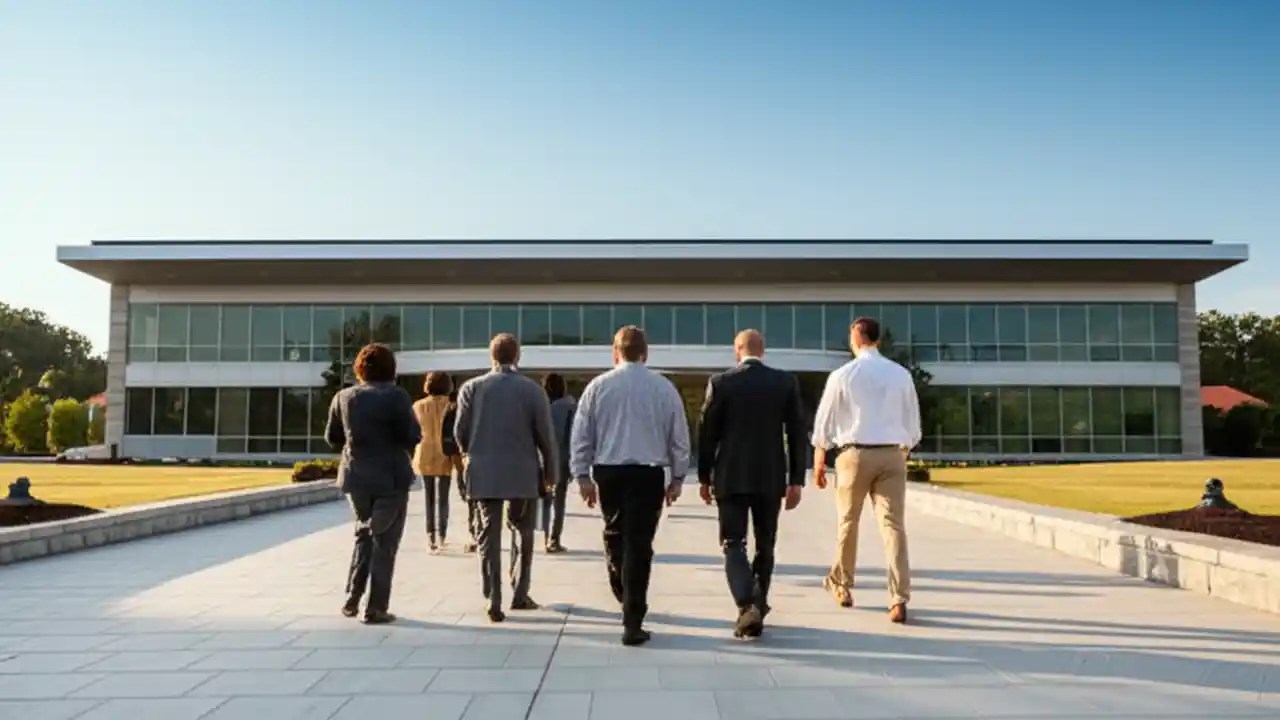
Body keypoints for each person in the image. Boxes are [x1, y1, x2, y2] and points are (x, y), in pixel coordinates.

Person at [571, 325, 690, 646]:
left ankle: (623, 588)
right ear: (645, 354)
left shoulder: (597, 387)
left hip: (609, 471)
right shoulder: (663, 388)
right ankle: (633, 616)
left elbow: (582, 435)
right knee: (640, 543)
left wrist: (582, 475)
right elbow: (679, 437)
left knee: (615, 533)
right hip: (648, 474)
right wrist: (678, 477)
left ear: (615, 353)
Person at [811, 317, 921, 624]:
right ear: (877, 339)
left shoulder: (843, 375)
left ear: (857, 337)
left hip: (855, 453)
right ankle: (898, 597)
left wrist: (819, 459)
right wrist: (903, 449)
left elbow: (825, 421)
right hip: (892, 453)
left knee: (848, 521)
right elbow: (913, 423)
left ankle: (842, 584)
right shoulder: (901, 375)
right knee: (893, 525)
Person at [698, 329, 806, 639]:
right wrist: (796, 480)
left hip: (730, 475)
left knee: (733, 542)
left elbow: (707, 434)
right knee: (766, 543)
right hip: (770, 476)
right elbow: (797, 432)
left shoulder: (721, 383)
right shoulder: (784, 382)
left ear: (737, 350)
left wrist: (704, 476)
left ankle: (747, 604)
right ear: (763, 350)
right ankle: (756, 605)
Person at [454, 333, 557, 623]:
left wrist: (470, 454)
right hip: (522, 472)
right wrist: (551, 472)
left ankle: (493, 597)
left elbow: (460, 432)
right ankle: (520, 593)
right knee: (523, 532)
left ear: (491, 356)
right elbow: (545, 436)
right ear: (517, 356)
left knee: (488, 534)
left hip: (483, 471)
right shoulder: (532, 390)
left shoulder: (471, 388)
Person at [325, 343, 420, 625]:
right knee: (385, 542)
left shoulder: (343, 397)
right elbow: (411, 435)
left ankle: (352, 598)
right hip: (390, 478)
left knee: (364, 534)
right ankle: (376, 607)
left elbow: (332, 437)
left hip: (356, 477)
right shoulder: (396, 396)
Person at [412, 371, 458, 553]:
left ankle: (430, 535)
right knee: (443, 498)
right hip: (445, 453)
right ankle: (442, 535)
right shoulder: (451, 406)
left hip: (424, 453)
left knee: (428, 497)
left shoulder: (417, 406)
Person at [541, 373, 576, 553]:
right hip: (561, 459)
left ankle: (544, 534)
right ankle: (554, 539)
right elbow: (572, 437)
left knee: (544, 500)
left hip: (540, 459)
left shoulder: (541, 407)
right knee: (559, 500)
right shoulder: (570, 408)